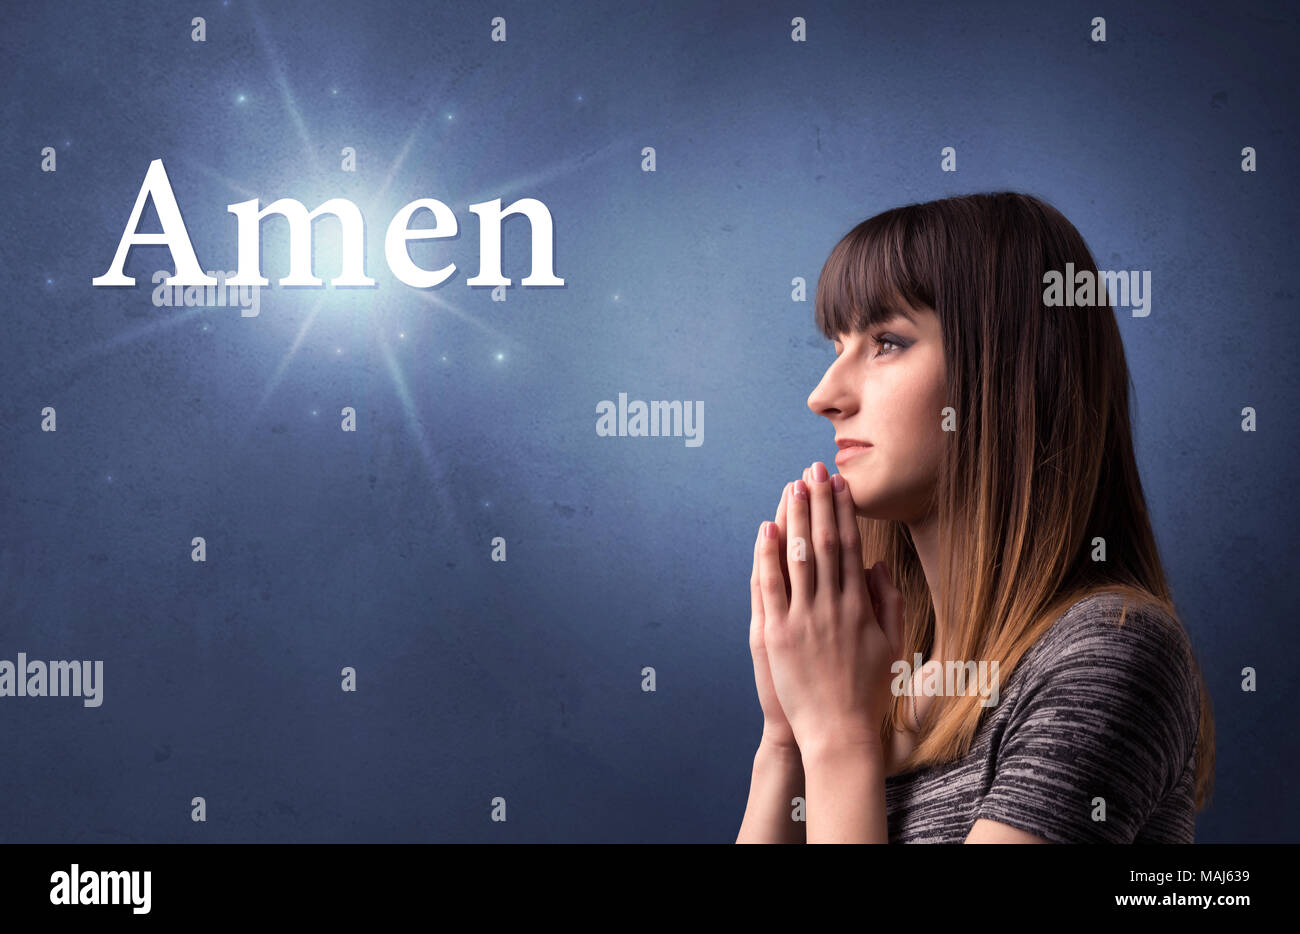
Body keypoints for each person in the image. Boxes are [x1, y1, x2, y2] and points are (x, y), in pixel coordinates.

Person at [736, 192, 1214, 843]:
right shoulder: (872, 678)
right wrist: (785, 742)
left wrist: (837, 740)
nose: (824, 396)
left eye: (886, 343)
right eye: (836, 344)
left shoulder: (1105, 653)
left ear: (1013, 368)